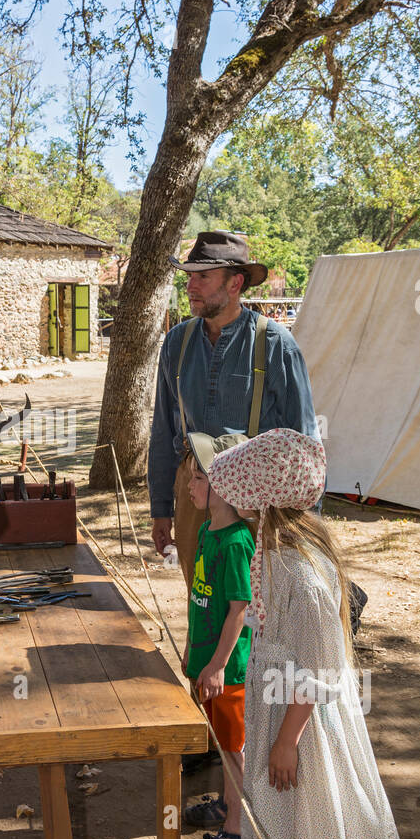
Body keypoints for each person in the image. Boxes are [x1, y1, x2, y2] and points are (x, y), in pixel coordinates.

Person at [203, 428, 399, 839]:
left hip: (301, 724)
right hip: (284, 709)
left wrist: (286, 739)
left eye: (236, 485)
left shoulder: (298, 571)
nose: (225, 493)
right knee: (298, 828)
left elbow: (316, 670)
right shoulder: (274, 548)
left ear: (262, 495)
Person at [149, 232, 318, 596]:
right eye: (189, 275)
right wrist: (160, 508)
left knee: (256, 606)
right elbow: (163, 431)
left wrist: (306, 524)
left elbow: (304, 443)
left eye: (203, 276)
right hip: (194, 493)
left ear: (235, 283)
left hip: (256, 501)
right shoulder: (176, 342)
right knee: (204, 599)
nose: (190, 285)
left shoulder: (276, 344)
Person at [180, 432, 254, 839]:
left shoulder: (236, 542)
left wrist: (218, 664)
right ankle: (229, 803)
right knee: (223, 745)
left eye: (197, 478)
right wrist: (195, 653)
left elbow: (239, 610)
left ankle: (236, 832)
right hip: (207, 664)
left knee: (233, 751)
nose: (189, 487)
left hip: (230, 672)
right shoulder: (209, 530)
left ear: (224, 485)